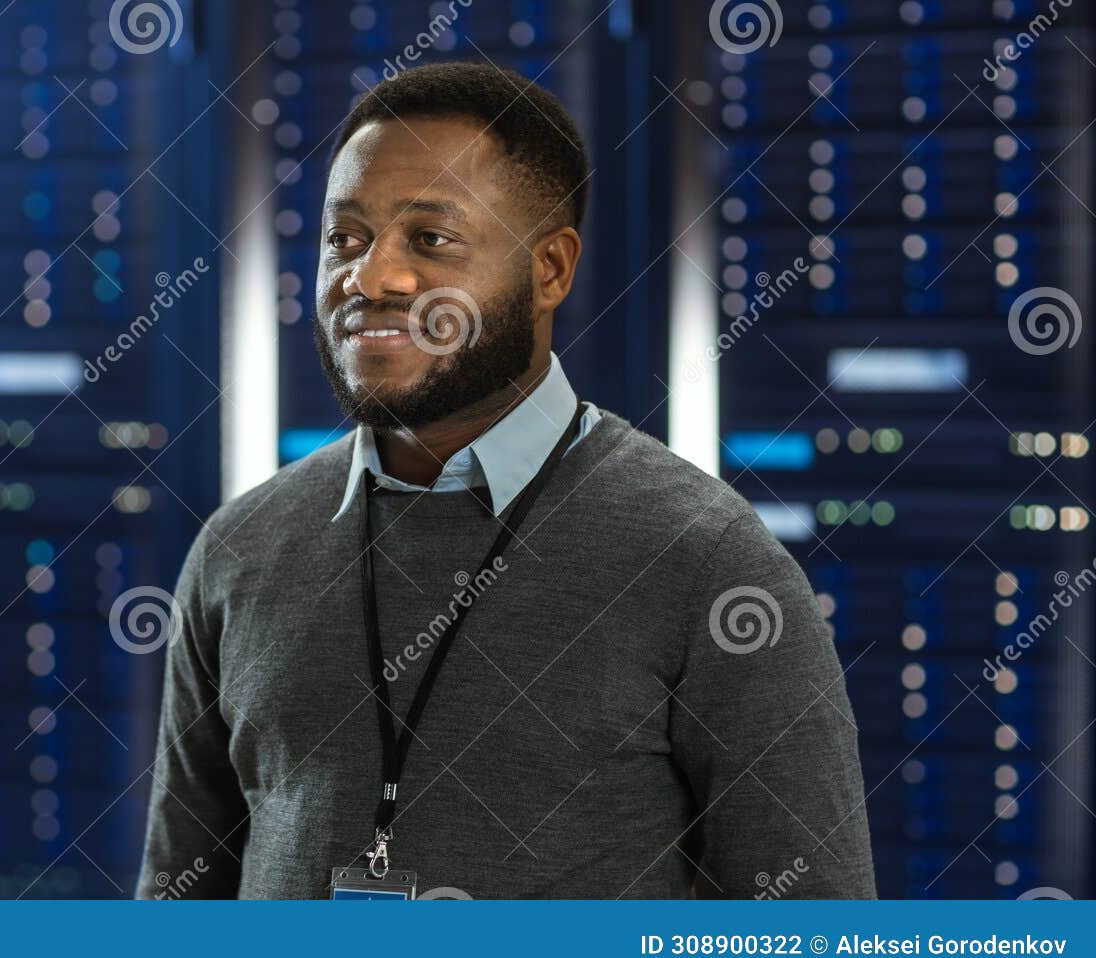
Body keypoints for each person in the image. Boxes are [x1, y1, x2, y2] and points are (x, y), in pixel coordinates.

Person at [136, 61, 874, 898]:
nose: (372, 279)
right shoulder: (238, 549)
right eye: (345, 238)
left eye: (431, 239)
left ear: (550, 270)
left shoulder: (705, 561)